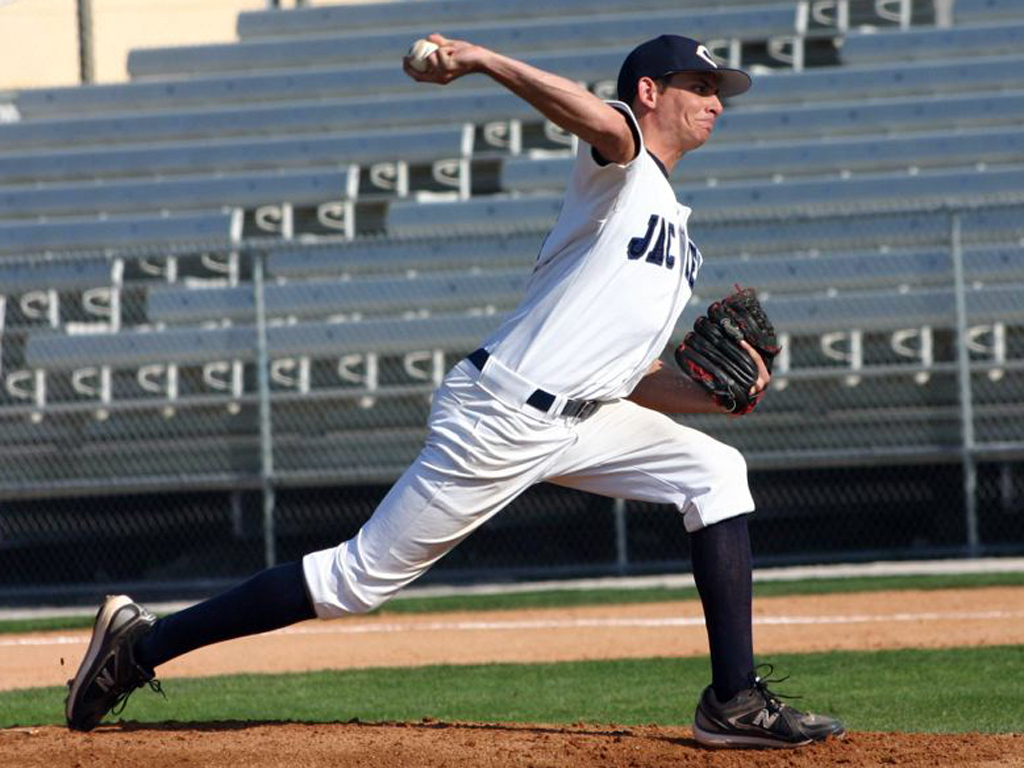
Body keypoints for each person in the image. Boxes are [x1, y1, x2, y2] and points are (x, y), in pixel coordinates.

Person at [65, 33, 845, 749]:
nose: (715, 100)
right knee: (353, 581)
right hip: (501, 415)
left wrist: (714, 397)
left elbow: (629, 375)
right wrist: (482, 60)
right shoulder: (621, 163)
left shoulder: (677, 231)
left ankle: (733, 702)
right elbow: (593, 117)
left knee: (716, 472)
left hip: (586, 418)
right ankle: (140, 646)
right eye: (699, 85)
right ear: (649, 92)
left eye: (718, 90)